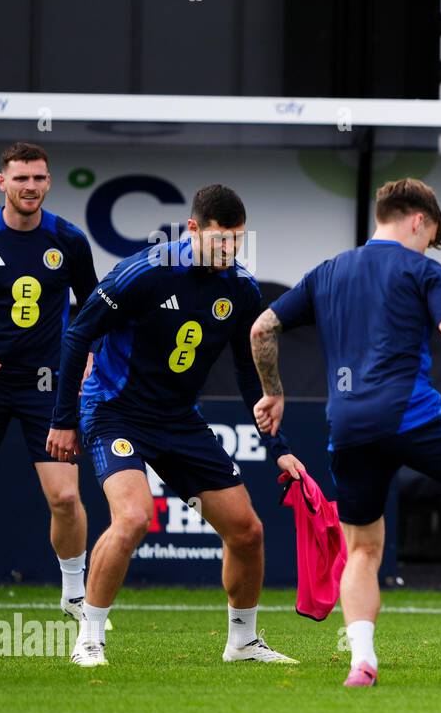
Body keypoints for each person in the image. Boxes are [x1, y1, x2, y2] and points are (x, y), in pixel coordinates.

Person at [251, 178, 441, 687]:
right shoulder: (423, 268)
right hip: (411, 414)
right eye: (431, 235)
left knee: (361, 551)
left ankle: (362, 660)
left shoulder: (328, 271)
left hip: (347, 425)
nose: (429, 245)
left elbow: (261, 328)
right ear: (417, 221)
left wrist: (273, 391)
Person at [47, 184, 304, 668]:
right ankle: (90, 639)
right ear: (191, 230)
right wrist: (63, 420)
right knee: (133, 517)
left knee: (247, 531)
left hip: (179, 420)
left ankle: (243, 642)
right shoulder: (144, 272)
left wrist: (279, 446)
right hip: (114, 411)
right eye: (219, 240)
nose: (228, 251)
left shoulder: (240, 288)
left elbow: (250, 370)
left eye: (237, 241)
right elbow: (79, 331)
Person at [0, 142, 98, 621]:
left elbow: (96, 308)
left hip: (47, 386)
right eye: (20, 178)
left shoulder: (69, 240)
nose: (30, 187)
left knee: (66, 496)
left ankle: (74, 593)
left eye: (38, 178)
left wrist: (93, 359)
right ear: (2, 183)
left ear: (49, 182)